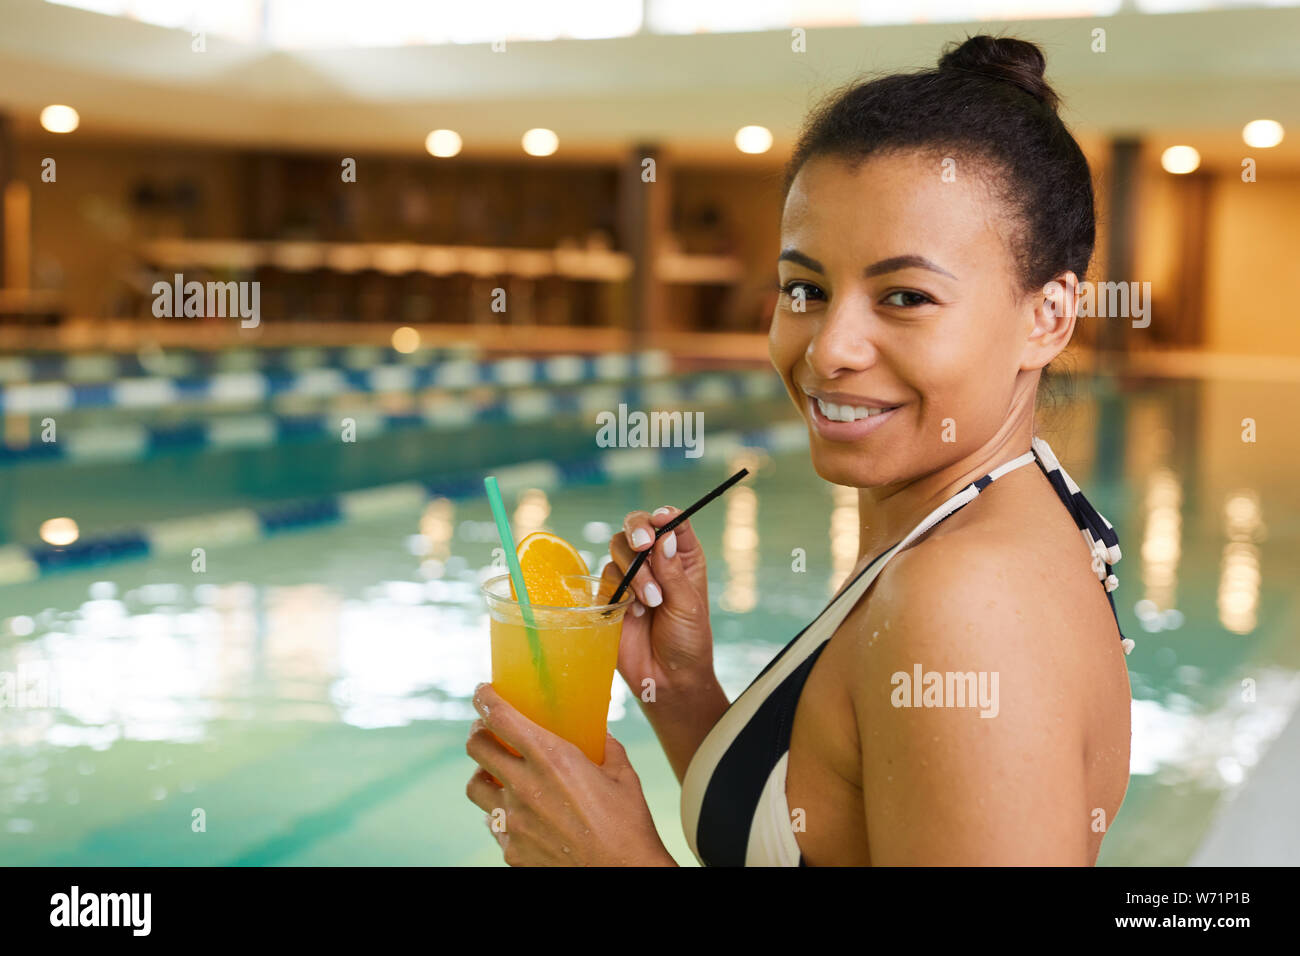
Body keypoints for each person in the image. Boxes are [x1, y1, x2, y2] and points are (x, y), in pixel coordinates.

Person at [466, 34, 1132, 866]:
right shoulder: (975, 515)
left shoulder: (963, 605)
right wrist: (680, 692)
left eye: (906, 296)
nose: (828, 349)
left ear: (1049, 316)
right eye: (805, 289)